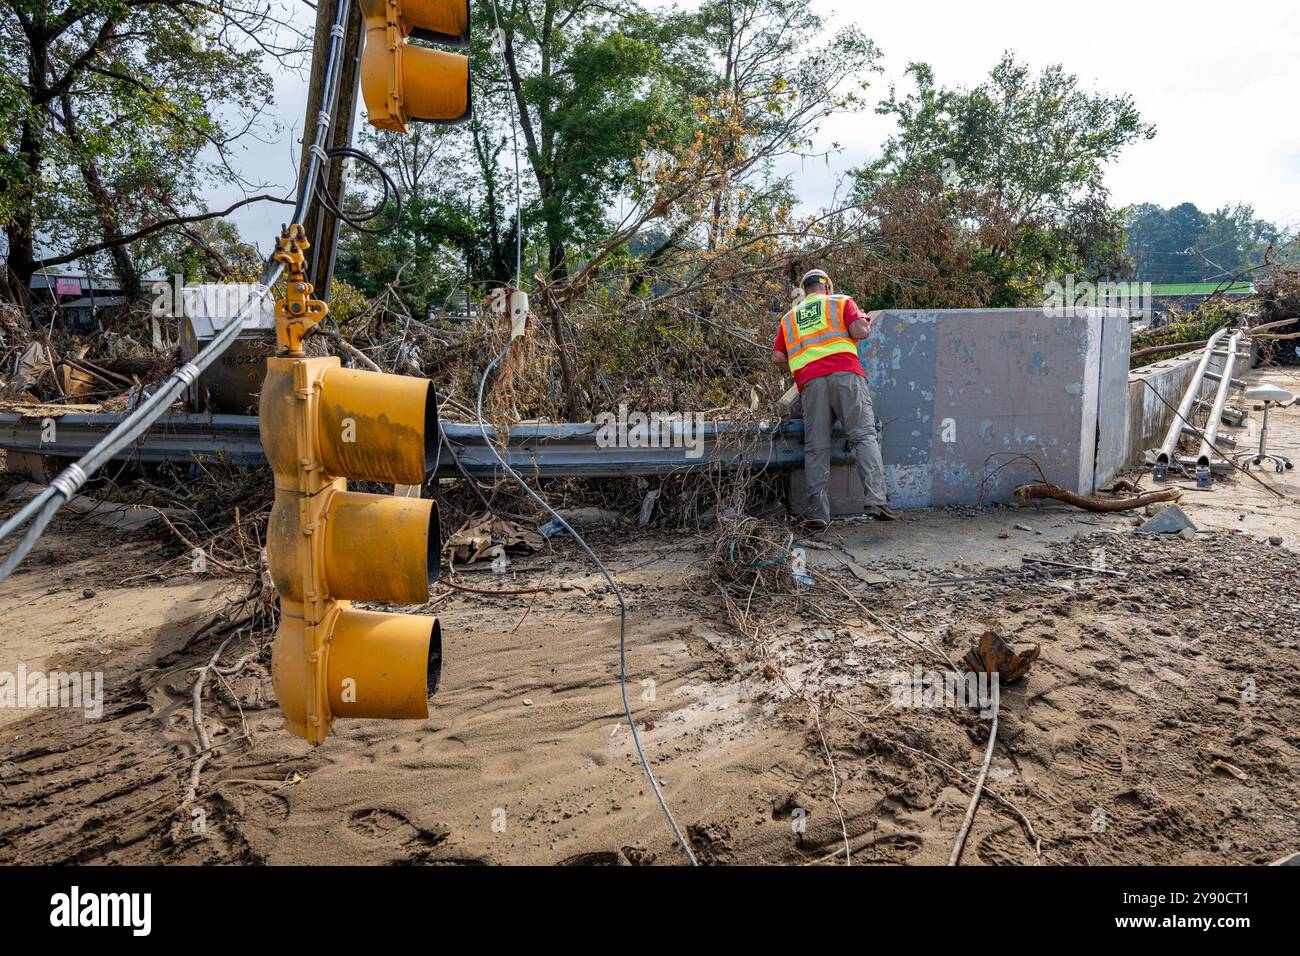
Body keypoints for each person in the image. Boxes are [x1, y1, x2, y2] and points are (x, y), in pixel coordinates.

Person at [771, 268, 895, 529]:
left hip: (810, 383)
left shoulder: (789, 318)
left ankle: (818, 513)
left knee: (816, 447)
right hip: (845, 376)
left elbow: (778, 358)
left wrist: (802, 368)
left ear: (805, 291)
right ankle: (875, 499)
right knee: (862, 435)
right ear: (827, 286)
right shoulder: (840, 301)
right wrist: (863, 320)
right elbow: (860, 331)